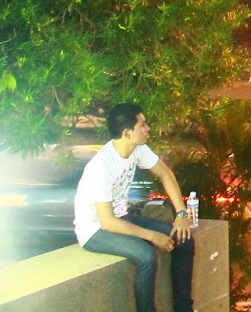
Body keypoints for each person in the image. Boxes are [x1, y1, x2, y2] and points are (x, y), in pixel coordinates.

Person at [73, 102, 194, 312]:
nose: (147, 129)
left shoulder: (137, 149)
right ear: (127, 133)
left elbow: (165, 174)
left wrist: (181, 213)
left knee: (184, 239)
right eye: (142, 125)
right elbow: (107, 222)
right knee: (146, 256)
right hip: (95, 230)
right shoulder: (101, 167)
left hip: (121, 217)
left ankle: (184, 308)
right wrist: (152, 235)